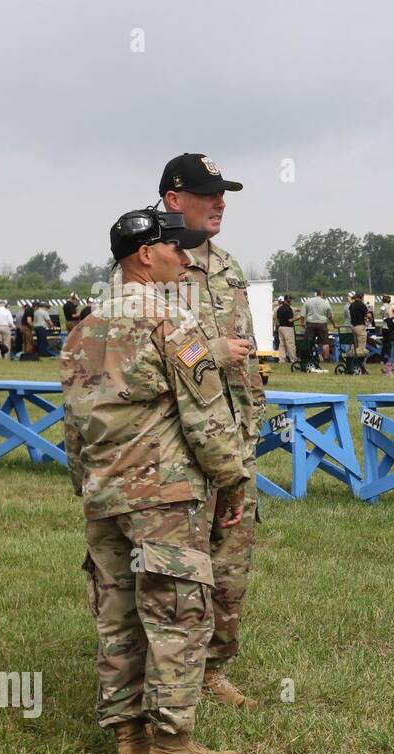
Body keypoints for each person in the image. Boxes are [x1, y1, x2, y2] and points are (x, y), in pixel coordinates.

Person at [61, 205, 250, 754]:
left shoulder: (83, 328)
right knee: (176, 612)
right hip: (164, 498)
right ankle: (171, 747)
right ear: (147, 255)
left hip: (104, 495)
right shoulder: (173, 322)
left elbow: (73, 427)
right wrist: (234, 481)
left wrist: (87, 486)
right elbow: (206, 418)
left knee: (117, 613)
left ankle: (128, 741)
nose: (186, 257)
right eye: (175, 247)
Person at [158, 152, 263, 709]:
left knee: (231, 560)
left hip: (234, 438)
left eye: (223, 193)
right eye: (207, 193)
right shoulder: (149, 263)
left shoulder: (225, 265)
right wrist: (212, 353)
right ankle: (170, 676)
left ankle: (214, 669)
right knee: (181, 567)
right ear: (175, 200)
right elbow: (142, 345)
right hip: (179, 448)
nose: (220, 202)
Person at [303, 289, 332, 364]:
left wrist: (302, 324)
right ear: (321, 294)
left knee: (308, 341)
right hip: (322, 324)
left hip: (310, 323)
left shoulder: (308, 301)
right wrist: (334, 324)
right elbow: (330, 316)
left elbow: (302, 315)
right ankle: (326, 359)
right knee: (325, 342)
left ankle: (307, 357)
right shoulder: (325, 302)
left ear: (316, 294)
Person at [349, 290, 369, 364]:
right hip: (360, 327)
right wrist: (369, 320)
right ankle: (359, 363)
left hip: (353, 327)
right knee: (361, 347)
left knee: (354, 345)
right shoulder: (362, 305)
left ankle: (351, 360)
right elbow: (368, 315)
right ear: (361, 297)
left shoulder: (351, 305)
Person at [275, 295, 297, 364]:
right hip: (288, 328)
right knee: (290, 344)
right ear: (289, 300)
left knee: (282, 345)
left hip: (280, 328)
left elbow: (277, 319)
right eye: (292, 300)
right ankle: (293, 359)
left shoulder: (279, 308)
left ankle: (282, 359)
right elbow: (290, 320)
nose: (292, 301)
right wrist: (298, 318)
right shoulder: (289, 309)